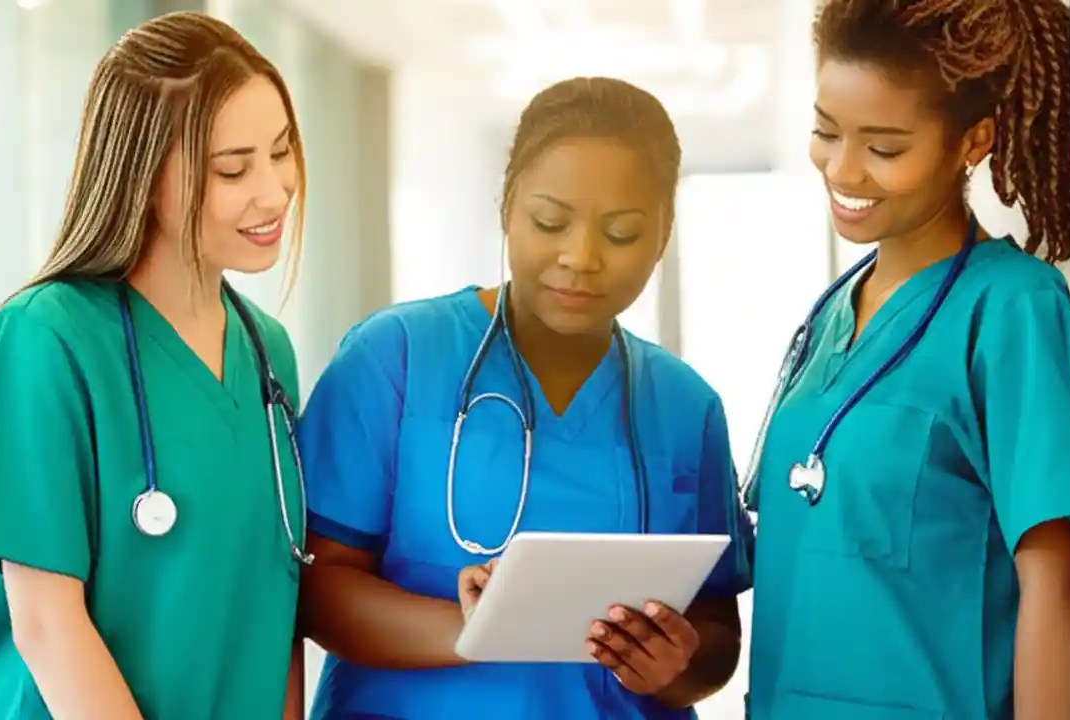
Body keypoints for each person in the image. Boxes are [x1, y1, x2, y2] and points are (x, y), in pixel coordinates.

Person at [295, 76, 753, 720]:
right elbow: (315, 586)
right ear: (506, 205)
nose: (580, 256)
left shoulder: (685, 406)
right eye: (549, 221)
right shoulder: (394, 355)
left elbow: (717, 634)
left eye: (621, 233)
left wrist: (674, 665)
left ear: (663, 233)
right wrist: (481, 629)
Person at [0, 11, 310, 719]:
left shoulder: (267, 353)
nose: (275, 191)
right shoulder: (44, 342)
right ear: (143, 170)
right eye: (233, 167)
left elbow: (274, 607)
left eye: (281, 152)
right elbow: (46, 625)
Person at [743, 1, 1070, 718]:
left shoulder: (1012, 308)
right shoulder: (830, 314)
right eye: (824, 131)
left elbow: (1054, 577)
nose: (842, 168)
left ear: (972, 140)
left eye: (885, 146)